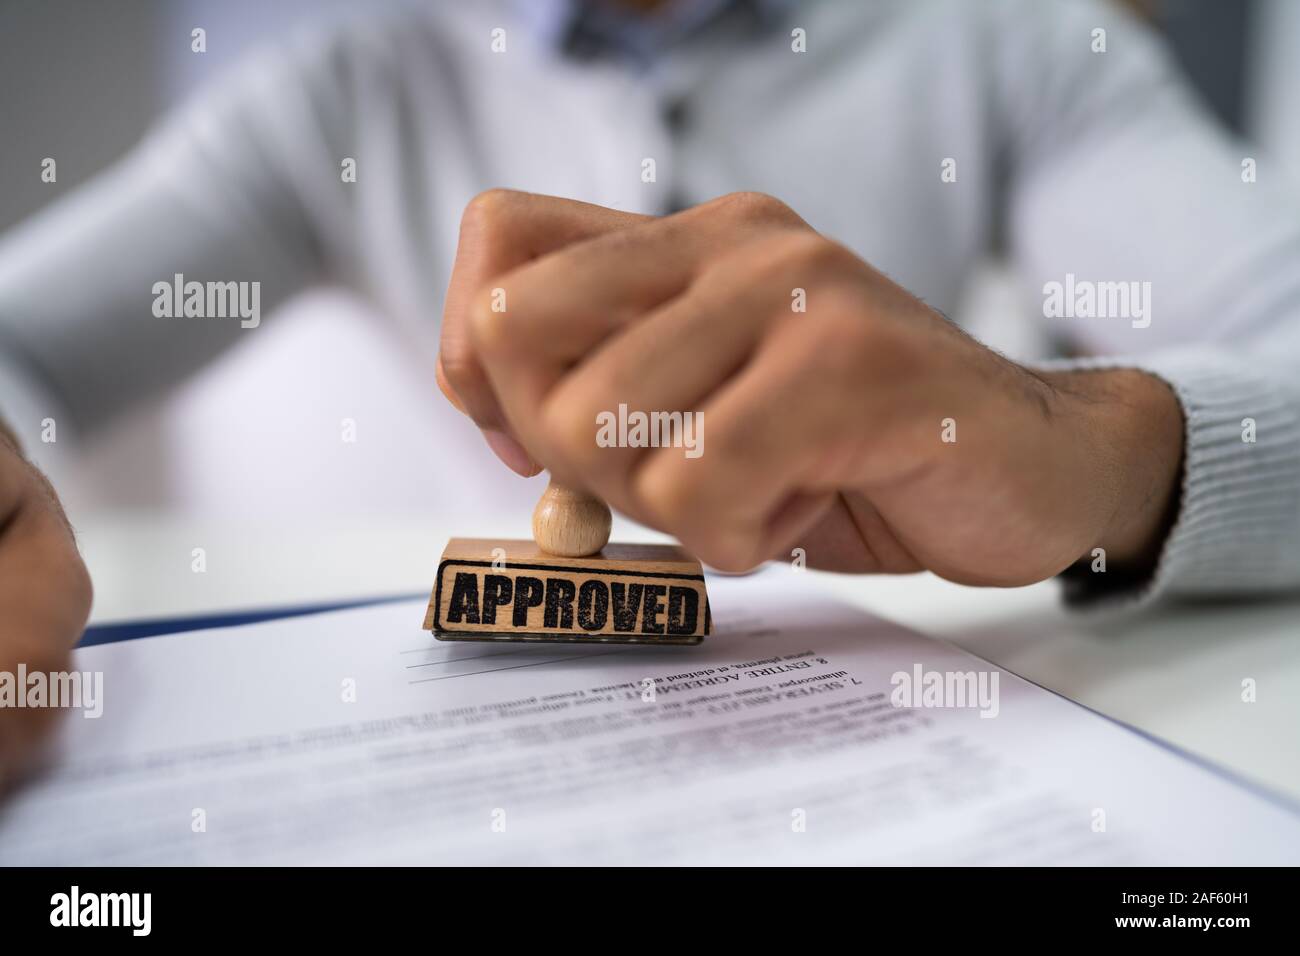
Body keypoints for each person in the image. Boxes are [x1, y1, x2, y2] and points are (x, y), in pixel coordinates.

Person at [1, 0, 1298, 784]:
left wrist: (1096, 451)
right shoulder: (345, 88)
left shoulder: (1012, 42)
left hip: (889, 733)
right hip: (489, 751)